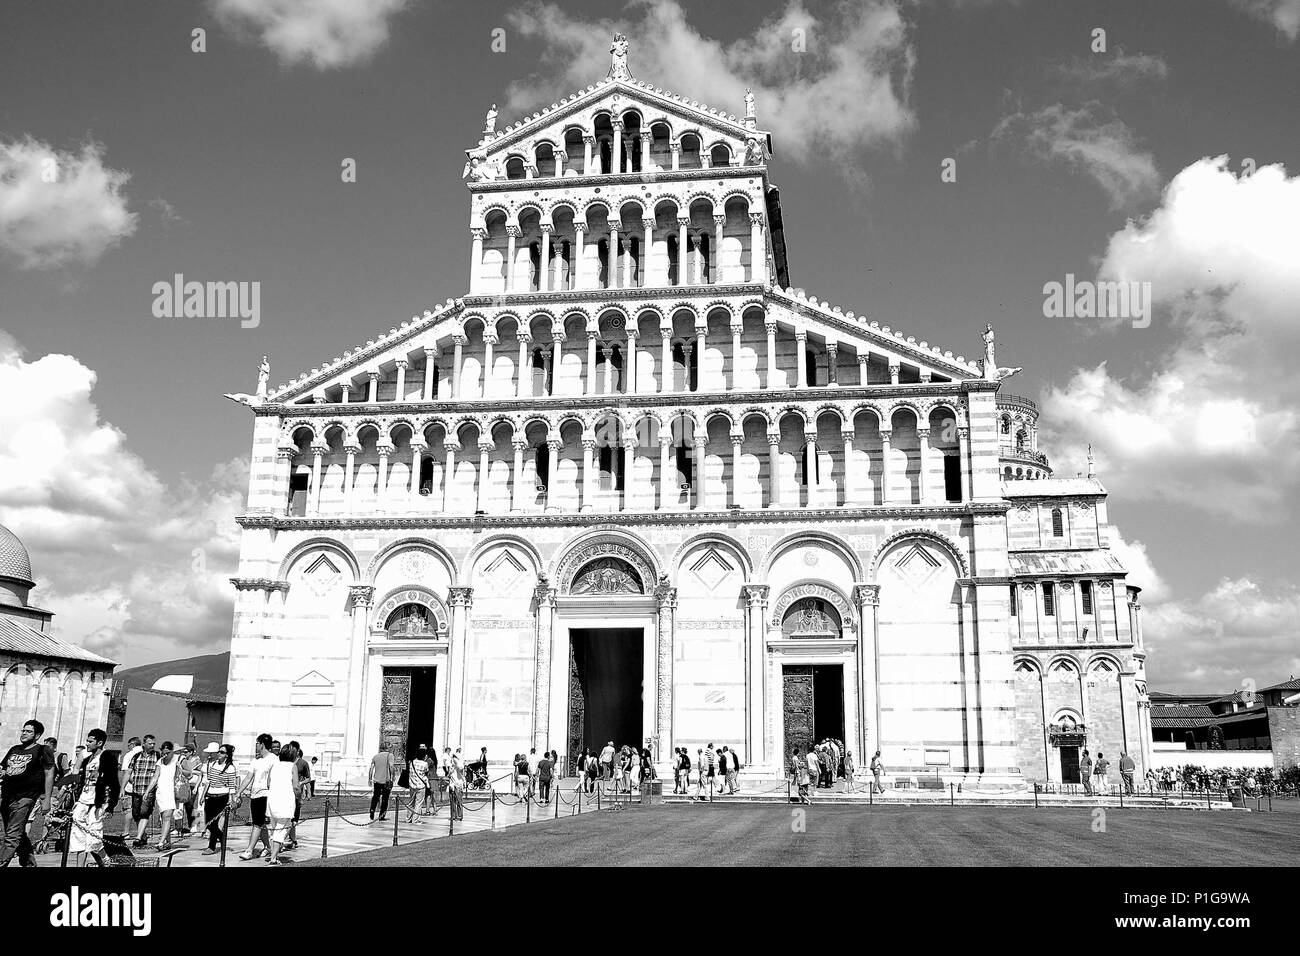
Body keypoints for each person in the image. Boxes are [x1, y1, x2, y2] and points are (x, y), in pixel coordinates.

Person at [1, 718, 55, 867]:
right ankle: (29, 862)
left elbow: (49, 774)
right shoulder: (14, 749)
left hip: (25, 797)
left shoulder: (43, 750)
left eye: (28, 731)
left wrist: (47, 799)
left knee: (12, 835)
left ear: (37, 735)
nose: (24, 733)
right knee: (16, 832)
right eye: (23, 730)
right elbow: (4, 768)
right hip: (7, 796)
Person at [70, 729, 119, 867]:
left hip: (98, 802)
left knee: (94, 837)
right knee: (77, 836)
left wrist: (110, 806)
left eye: (90, 741)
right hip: (83, 800)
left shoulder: (107, 757)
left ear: (100, 743)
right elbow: (81, 781)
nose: (87, 743)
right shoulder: (87, 760)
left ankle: (106, 860)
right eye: (87, 740)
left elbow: (114, 782)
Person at [238, 733, 277, 861]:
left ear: (262, 744)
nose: (256, 746)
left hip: (265, 794)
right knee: (260, 824)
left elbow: (273, 780)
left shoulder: (273, 759)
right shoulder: (256, 760)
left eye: (257, 743)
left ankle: (249, 850)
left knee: (257, 823)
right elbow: (248, 778)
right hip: (254, 795)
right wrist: (238, 792)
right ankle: (268, 847)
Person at [196, 743, 239, 856]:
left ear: (227, 755)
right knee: (208, 823)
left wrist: (232, 800)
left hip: (222, 797)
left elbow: (231, 785)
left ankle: (212, 846)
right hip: (210, 796)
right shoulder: (214, 764)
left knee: (214, 822)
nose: (219, 754)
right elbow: (208, 781)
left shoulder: (230, 768)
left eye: (222, 752)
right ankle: (222, 838)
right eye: (219, 751)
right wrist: (203, 796)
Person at [144, 741, 181, 851]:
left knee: (167, 817)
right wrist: (147, 791)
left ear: (172, 752)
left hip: (171, 792)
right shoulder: (160, 761)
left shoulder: (177, 759)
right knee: (163, 817)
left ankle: (161, 842)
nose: (165, 755)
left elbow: (188, 773)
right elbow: (155, 778)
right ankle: (168, 842)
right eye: (163, 753)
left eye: (167, 753)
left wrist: (181, 771)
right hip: (161, 792)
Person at [124, 734, 160, 848]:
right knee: (136, 814)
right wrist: (122, 788)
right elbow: (128, 772)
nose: (152, 745)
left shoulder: (157, 756)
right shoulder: (136, 756)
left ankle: (138, 837)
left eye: (154, 744)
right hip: (136, 789)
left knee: (145, 813)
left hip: (149, 790)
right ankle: (143, 835)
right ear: (144, 744)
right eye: (150, 743)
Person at [264, 746, 297, 865]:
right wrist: (298, 794)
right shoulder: (292, 766)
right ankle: (273, 858)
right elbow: (296, 786)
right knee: (283, 828)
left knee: (274, 829)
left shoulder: (275, 765)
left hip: (273, 799)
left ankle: (274, 854)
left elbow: (268, 783)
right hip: (285, 800)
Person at [118, 736, 141, 836]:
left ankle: (126, 832)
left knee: (129, 810)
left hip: (130, 787)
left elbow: (126, 772)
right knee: (140, 811)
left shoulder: (129, 755)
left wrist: (123, 787)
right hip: (145, 787)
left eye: (129, 745)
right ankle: (141, 833)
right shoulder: (147, 754)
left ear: (132, 744)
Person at [289, 742, 310, 848]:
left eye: (293, 749)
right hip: (286, 794)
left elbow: (308, 778)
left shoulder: (303, 763)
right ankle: (290, 840)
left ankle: (292, 840)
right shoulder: (286, 762)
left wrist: (301, 784)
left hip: (296, 794)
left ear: (297, 750)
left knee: (294, 819)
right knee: (286, 817)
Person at [369, 742, 396, 821]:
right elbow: (391, 766)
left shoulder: (375, 756)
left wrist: (370, 778)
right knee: (385, 799)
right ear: (388, 748)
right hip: (386, 781)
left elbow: (371, 768)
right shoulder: (390, 756)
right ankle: (381, 816)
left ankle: (372, 809)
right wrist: (393, 776)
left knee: (375, 797)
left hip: (377, 780)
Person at [407, 748, 429, 823]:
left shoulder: (412, 762)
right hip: (421, 785)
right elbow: (426, 771)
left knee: (411, 803)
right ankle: (415, 819)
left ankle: (408, 818)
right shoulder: (424, 764)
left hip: (412, 785)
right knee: (418, 803)